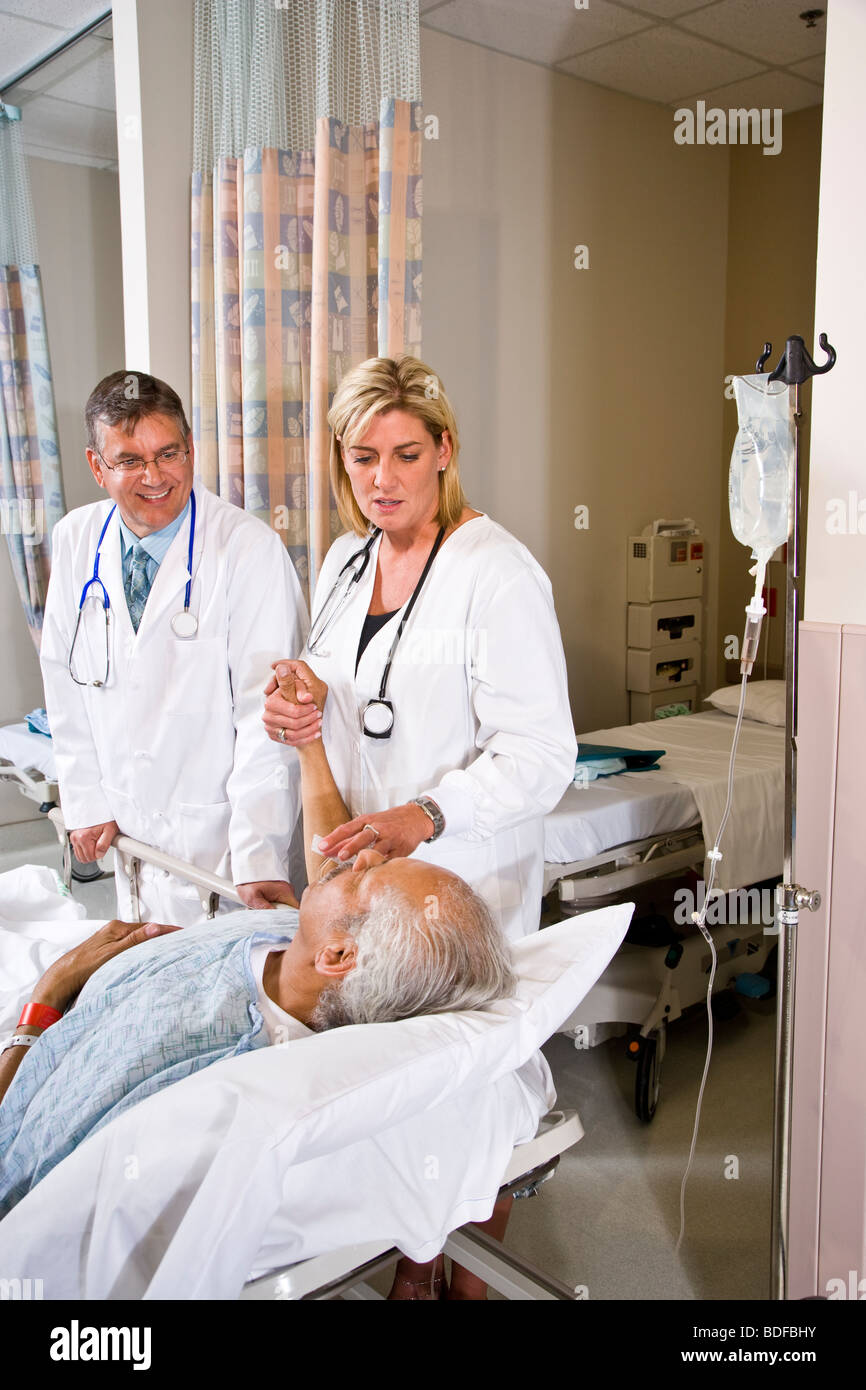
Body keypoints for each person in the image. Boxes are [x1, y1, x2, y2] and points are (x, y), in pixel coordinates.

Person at [0, 666, 516, 1304]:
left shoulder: (206, 1061)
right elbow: (333, 850)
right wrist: (309, 744)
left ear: (337, 956)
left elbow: (20, 1153)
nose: (363, 853)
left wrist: (46, 999)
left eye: (367, 876)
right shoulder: (289, 937)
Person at [263, 354, 576, 942]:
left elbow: (541, 754)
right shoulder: (346, 562)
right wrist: (298, 704)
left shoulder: (495, 572)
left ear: (444, 451)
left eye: (406, 455)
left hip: (460, 881)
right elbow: (342, 698)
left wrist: (427, 815)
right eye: (363, 457)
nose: (383, 478)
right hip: (357, 883)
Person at [40, 371, 309, 924]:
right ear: (97, 467)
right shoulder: (74, 541)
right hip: (130, 829)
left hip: (225, 841)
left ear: (190, 450)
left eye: (169, 454)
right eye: (130, 460)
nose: (156, 476)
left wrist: (259, 851)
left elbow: (270, 715)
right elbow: (64, 682)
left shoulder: (247, 550)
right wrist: (87, 802)